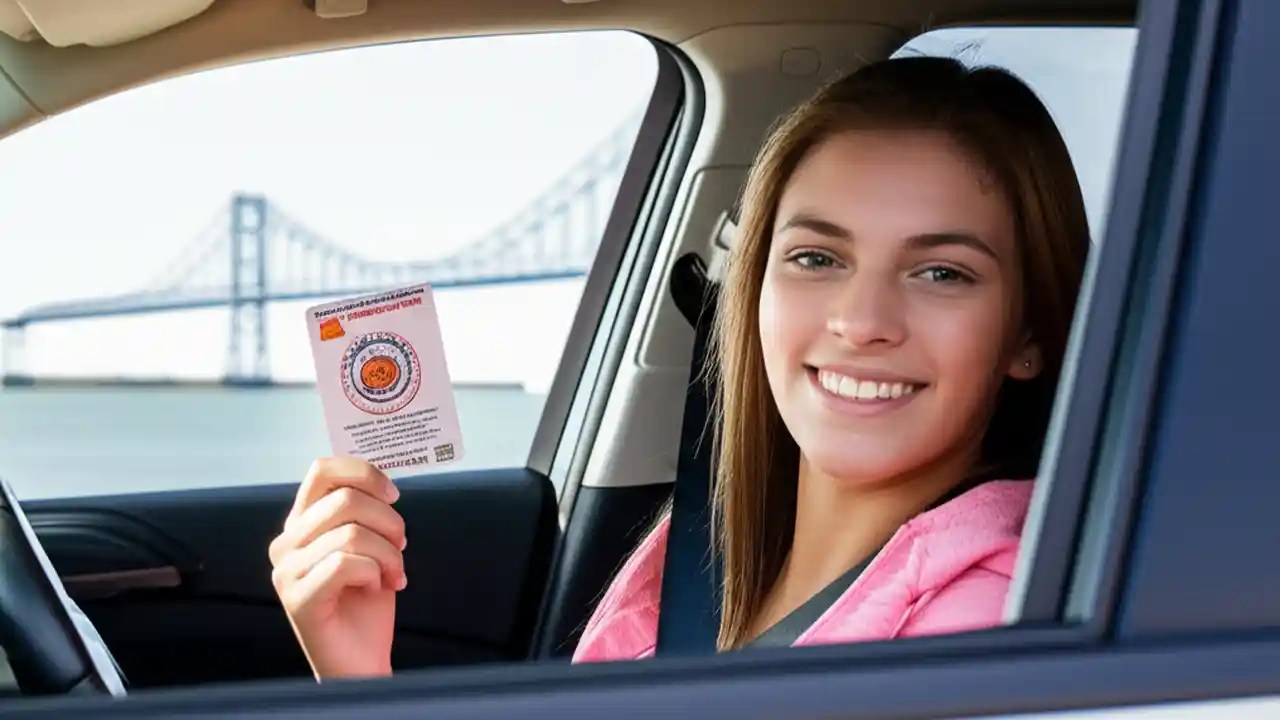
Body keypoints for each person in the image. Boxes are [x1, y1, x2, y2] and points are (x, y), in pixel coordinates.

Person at [268, 55, 1089, 677]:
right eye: (816, 258)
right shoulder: (698, 544)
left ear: (1030, 335)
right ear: (753, 292)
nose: (861, 322)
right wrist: (357, 671)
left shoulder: (987, 624)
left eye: (941, 273)